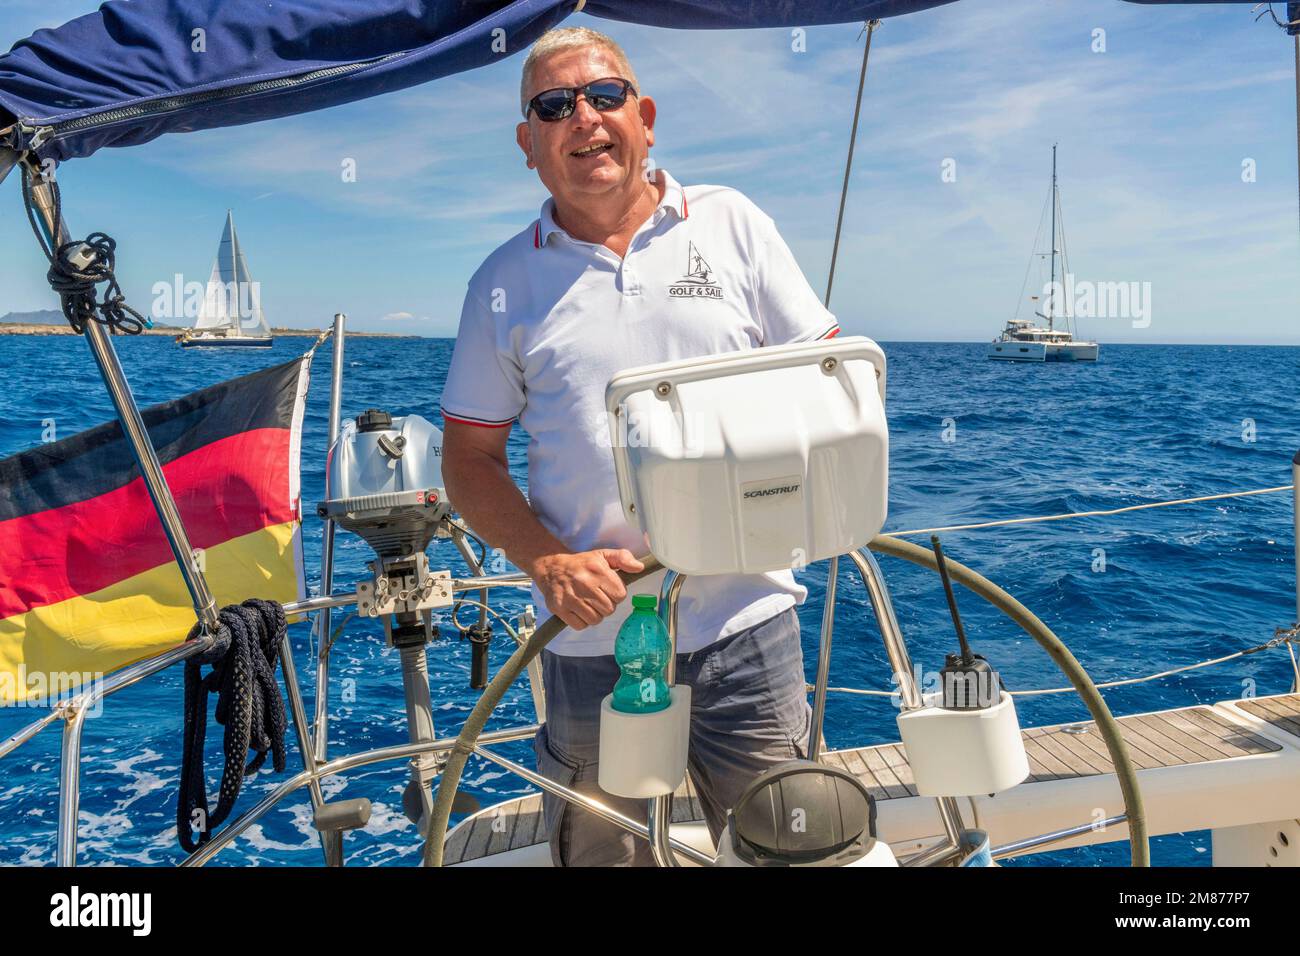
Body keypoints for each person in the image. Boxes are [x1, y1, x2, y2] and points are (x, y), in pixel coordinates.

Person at [440, 26, 840, 866]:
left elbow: (831, 382)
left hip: (749, 621)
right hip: (592, 643)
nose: (582, 117)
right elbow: (469, 460)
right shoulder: (502, 283)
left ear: (645, 117)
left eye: (604, 95)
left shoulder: (734, 225)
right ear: (529, 144)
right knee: (601, 856)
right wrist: (546, 561)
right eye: (553, 106)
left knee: (788, 850)